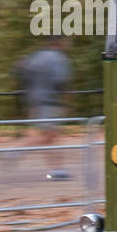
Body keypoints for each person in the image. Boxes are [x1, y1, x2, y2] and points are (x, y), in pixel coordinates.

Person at [17, 35, 72, 180]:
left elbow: (22, 70)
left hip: (35, 99)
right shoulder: (59, 58)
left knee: (52, 137)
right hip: (50, 101)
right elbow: (60, 81)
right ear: (59, 43)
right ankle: (17, 150)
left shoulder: (36, 56)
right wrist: (64, 100)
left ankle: (56, 170)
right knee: (50, 136)